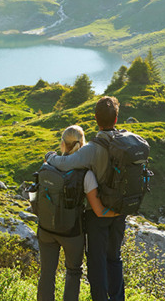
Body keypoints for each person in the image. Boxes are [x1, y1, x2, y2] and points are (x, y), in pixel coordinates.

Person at [45, 96, 126, 301]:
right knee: (114, 259)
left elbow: (65, 164)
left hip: (97, 215)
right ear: (116, 119)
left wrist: (50, 157)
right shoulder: (127, 142)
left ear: (96, 118)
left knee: (96, 264)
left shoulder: (92, 148)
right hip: (119, 210)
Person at [37, 125, 89, 301]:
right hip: (72, 231)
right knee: (73, 272)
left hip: (46, 228)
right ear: (82, 144)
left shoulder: (48, 164)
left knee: (46, 274)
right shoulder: (84, 171)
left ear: (62, 144)